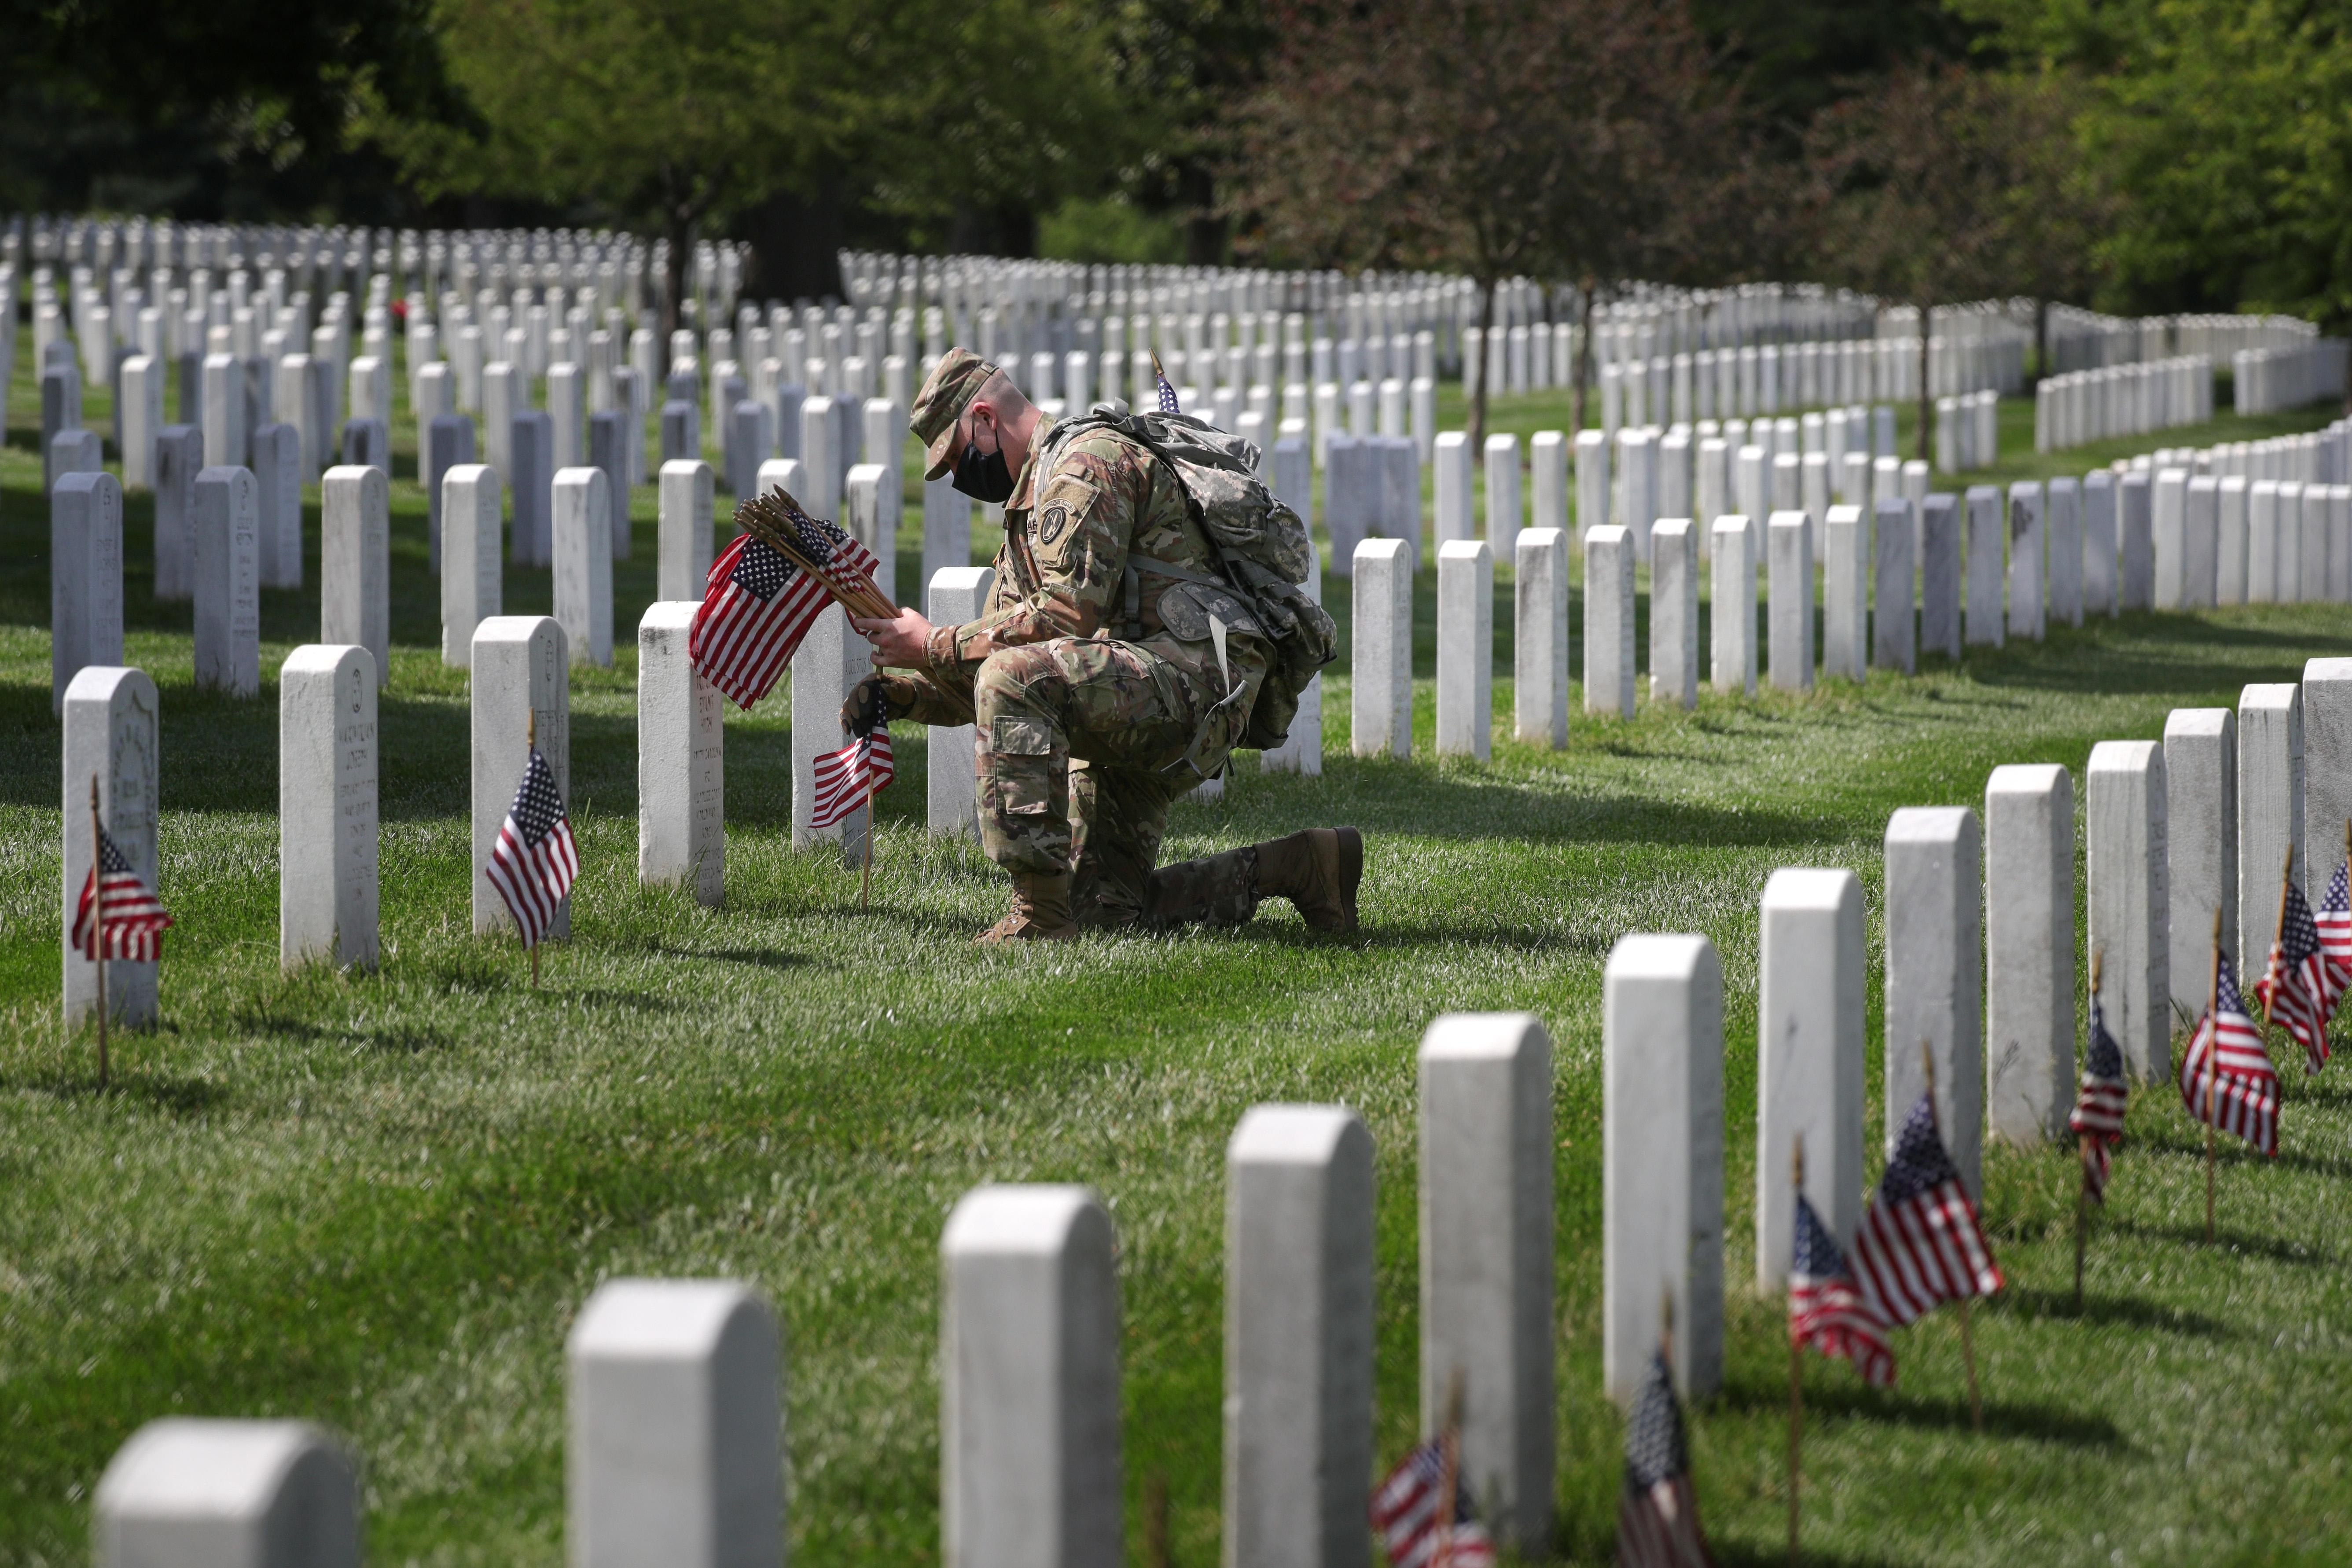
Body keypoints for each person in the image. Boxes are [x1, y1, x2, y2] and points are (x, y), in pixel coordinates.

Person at [845, 348, 1362, 942]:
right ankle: (1306, 865)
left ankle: (1036, 916)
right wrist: (906, 695)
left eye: (959, 456)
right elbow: (996, 675)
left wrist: (932, 642)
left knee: (1017, 678)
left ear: (985, 418)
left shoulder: (1087, 462)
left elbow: (1064, 620)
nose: (962, 477)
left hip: (1193, 682)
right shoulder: (1028, 507)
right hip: (1131, 689)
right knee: (1105, 913)